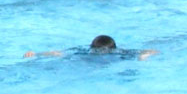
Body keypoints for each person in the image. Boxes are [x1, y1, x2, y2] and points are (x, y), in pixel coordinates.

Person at [24, 35, 158, 60]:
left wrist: (36, 54)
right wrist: (143, 56)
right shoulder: (121, 53)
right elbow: (152, 51)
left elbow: (57, 53)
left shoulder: (84, 52)